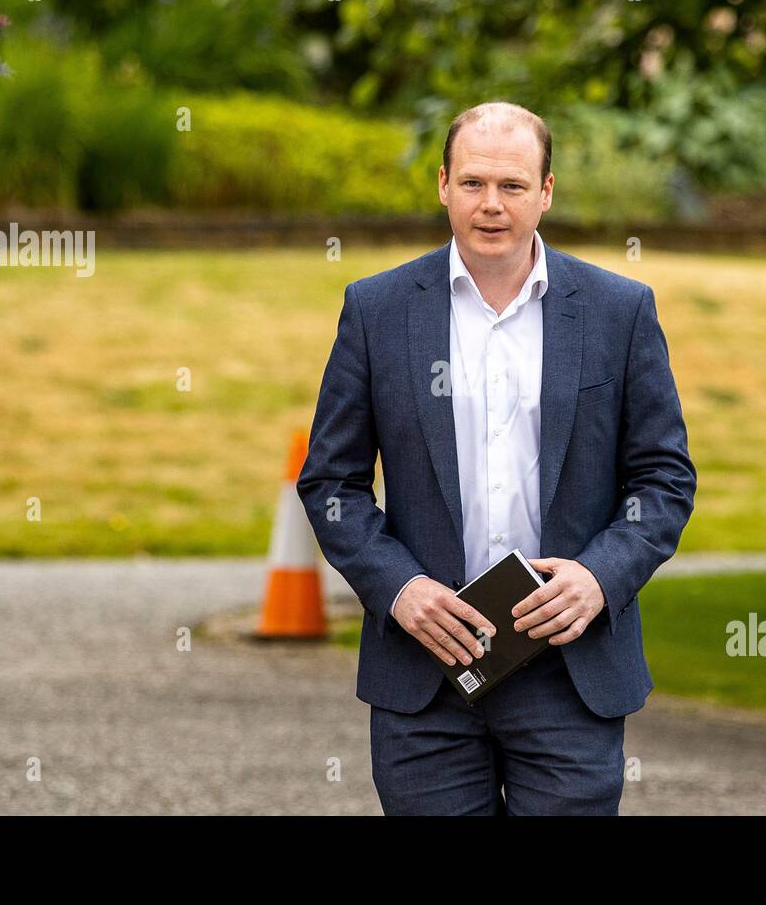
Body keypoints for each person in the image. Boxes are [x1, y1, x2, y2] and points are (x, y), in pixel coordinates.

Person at [296, 101, 696, 815]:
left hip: (567, 667)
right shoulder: (377, 309)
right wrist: (400, 589)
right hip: (426, 667)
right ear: (443, 184)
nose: (491, 205)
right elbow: (332, 483)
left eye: (512, 186)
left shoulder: (619, 311)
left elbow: (663, 479)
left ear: (545, 192)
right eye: (474, 183)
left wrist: (600, 577)